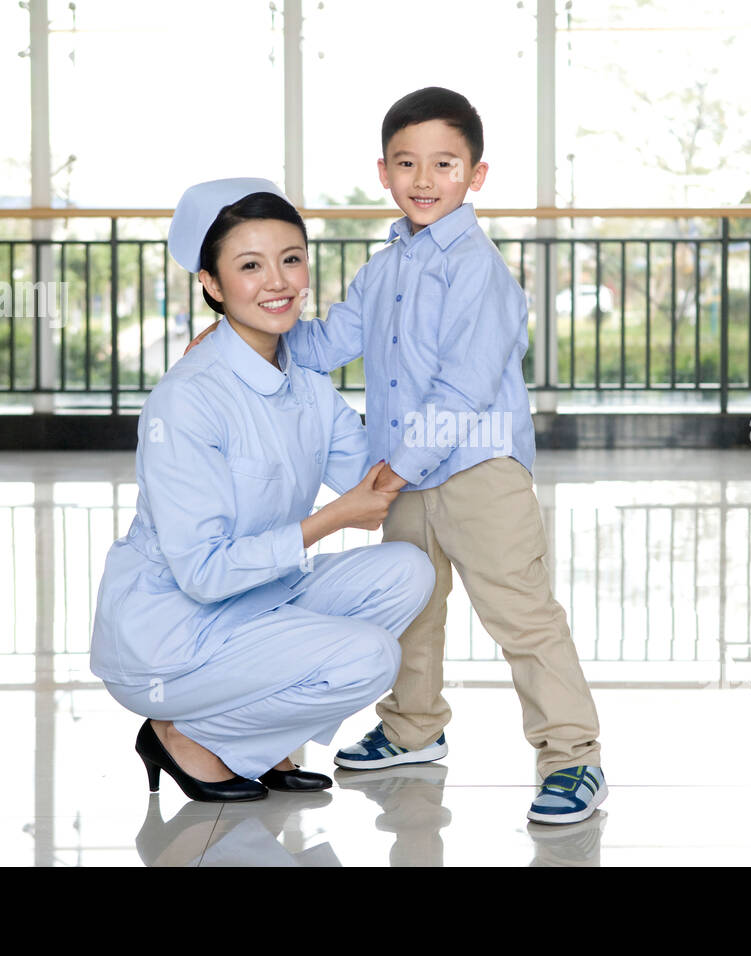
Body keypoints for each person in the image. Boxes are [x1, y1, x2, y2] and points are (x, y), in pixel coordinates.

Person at [189, 90, 607, 825]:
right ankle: (415, 728)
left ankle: (572, 756)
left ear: (476, 175)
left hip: (478, 470)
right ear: (383, 170)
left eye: (444, 164)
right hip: (408, 476)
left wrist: (398, 468)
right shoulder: (384, 271)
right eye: (407, 163)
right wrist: (234, 335)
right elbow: (326, 341)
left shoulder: (479, 271)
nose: (424, 179)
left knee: (522, 614)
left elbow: (463, 388)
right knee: (414, 608)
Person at [89, 177, 435, 803]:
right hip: (173, 636)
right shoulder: (188, 399)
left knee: (407, 570)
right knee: (369, 657)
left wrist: (449, 394)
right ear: (212, 285)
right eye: (250, 266)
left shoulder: (302, 382)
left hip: (259, 600)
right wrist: (332, 519)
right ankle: (184, 736)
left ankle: (263, 742)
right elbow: (204, 573)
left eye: (291, 260)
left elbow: (372, 476)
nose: (278, 282)